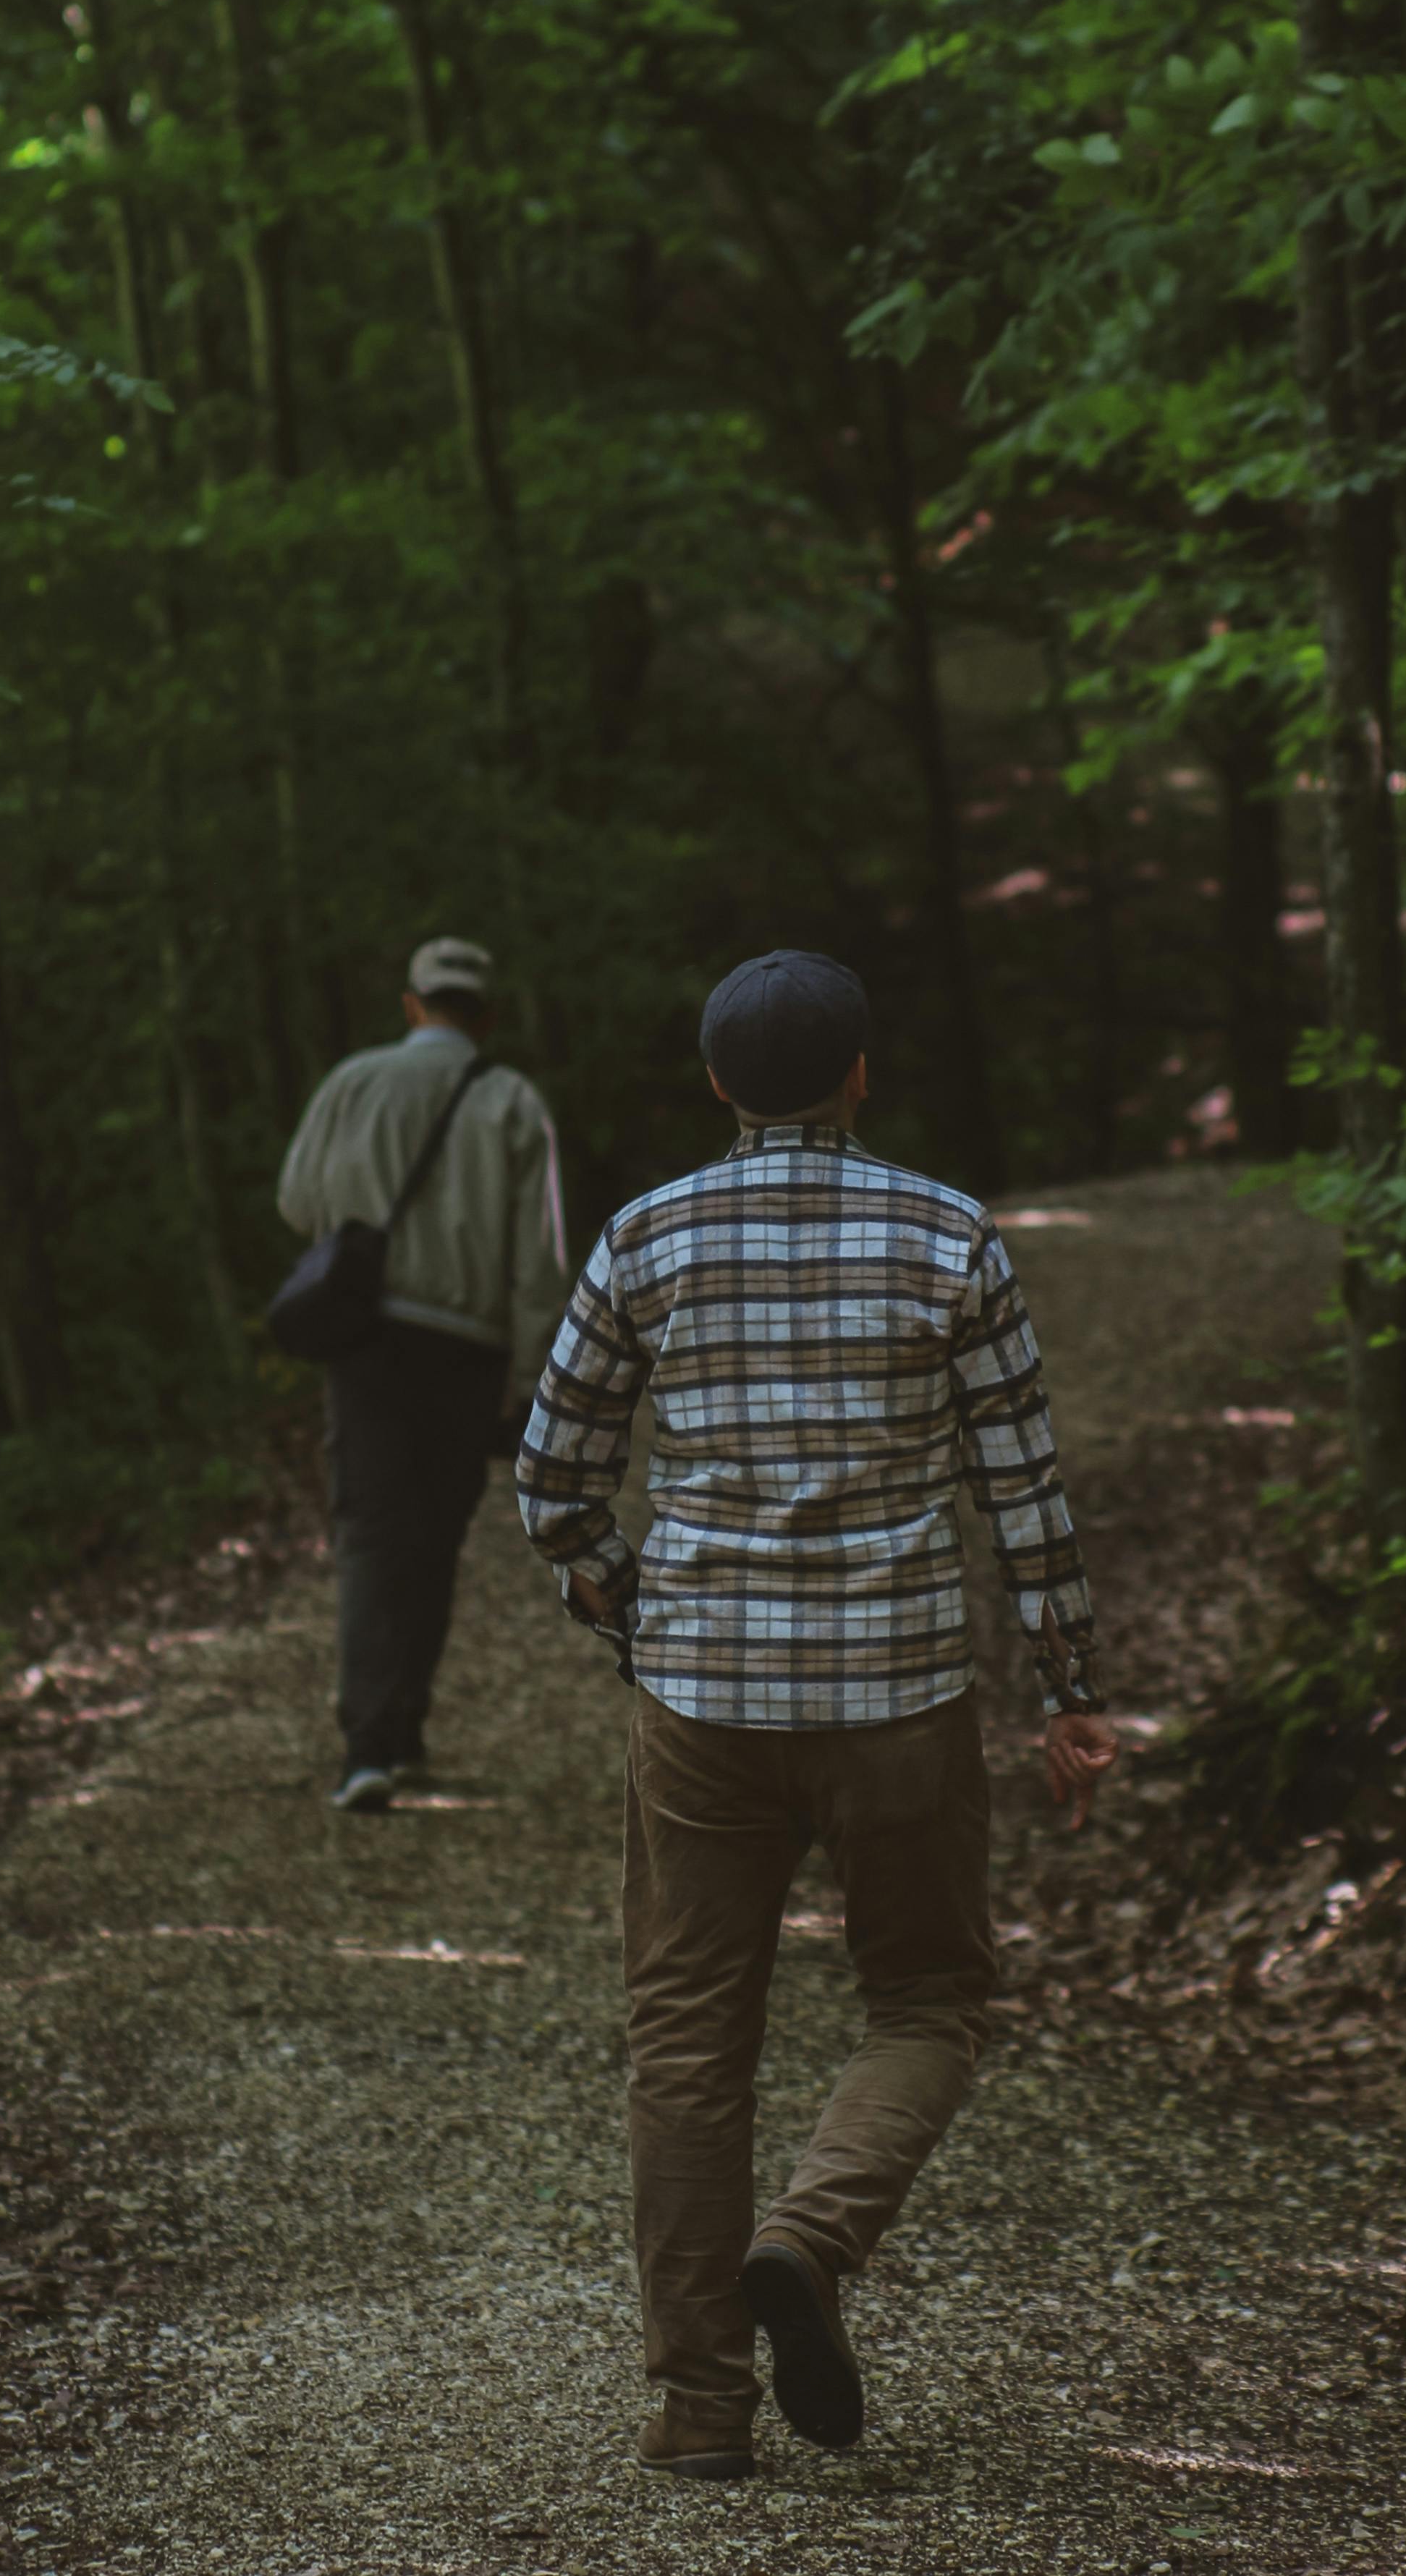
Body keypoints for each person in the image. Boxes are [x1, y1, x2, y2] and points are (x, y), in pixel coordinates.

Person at [515, 947, 1119, 2481]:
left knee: (687, 2047)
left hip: (703, 1700)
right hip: (903, 1700)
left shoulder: (643, 1241)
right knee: (928, 2000)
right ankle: (810, 2236)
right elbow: (1023, 1485)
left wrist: (622, 1595)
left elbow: (553, 1478)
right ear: (861, 1074)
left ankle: (703, 2408)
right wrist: (1070, 1687)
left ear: (719, 1085)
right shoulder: (947, 1233)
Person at [279, 936, 569, 1813]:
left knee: (372, 1531)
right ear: (484, 1015)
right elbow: (541, 1260)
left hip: (369, 1341)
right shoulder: (515, 1103)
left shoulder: (352, 1082)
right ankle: (405, 1727)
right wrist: (532, 1378)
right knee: (435, 1539)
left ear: (412, 1004)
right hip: (467, 1348)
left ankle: (367, 1745)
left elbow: (297, 1201)